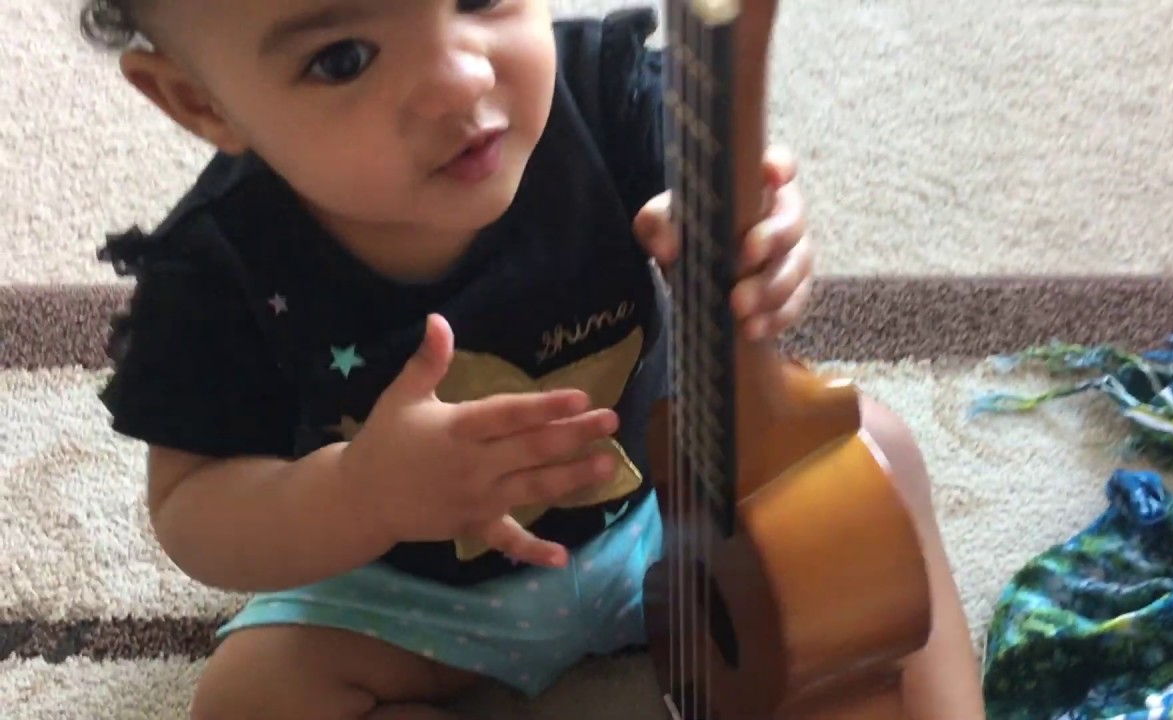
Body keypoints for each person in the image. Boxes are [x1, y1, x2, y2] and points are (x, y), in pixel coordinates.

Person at [80, 0, 986, 717]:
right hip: (415, 598)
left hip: (671, 516)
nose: (459, 77)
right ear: (200, 101)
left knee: (875, 454)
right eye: (344, 58)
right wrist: (364, 493)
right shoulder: (219, 266)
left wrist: (756, 241)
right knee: (249, 700)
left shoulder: (603, 88)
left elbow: (732, 199)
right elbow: (191, 508)